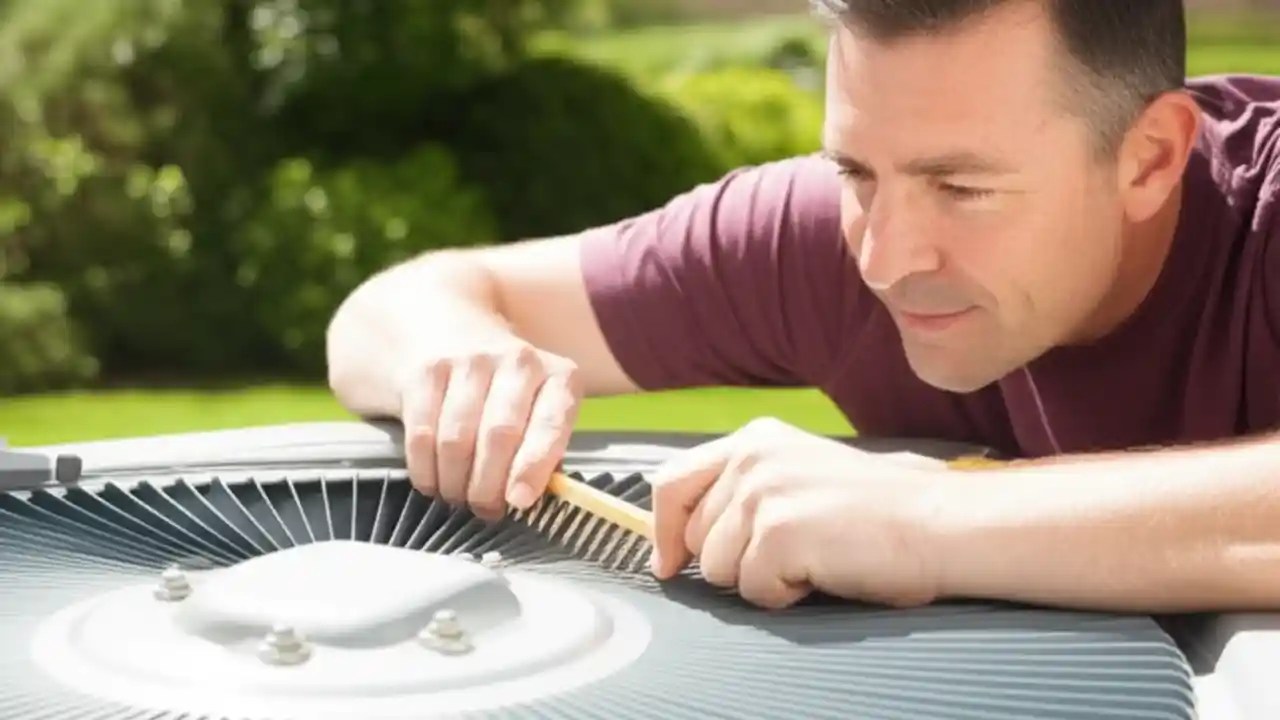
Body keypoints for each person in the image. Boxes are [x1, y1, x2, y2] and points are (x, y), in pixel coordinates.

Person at [325, 0, 1280, 614]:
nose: (883, 256)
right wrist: (465, 360)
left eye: (962, 188)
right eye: (856, 170)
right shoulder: (817, 235)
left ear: (1150, 157)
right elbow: (390, 309)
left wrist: (931, 518)